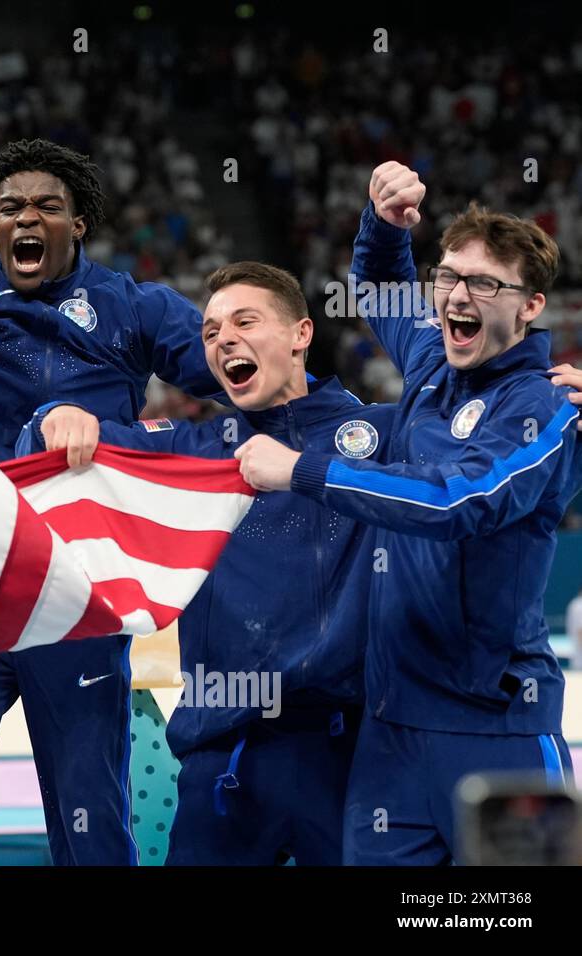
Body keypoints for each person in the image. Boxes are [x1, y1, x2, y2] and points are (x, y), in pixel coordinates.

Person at [0, 138, 219, 865]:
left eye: (47, 207)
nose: (26, 217)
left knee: (90, 802)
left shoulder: (133, 305)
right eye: (10, 208)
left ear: (78, 223)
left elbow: (234, 380)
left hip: (78, 588)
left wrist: (114, 435)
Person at [236, 162, 577, 864]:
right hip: (391, 734)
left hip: (498, 728)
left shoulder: (546, 408)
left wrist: (305, 470)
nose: (457, 295)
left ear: (531, 305)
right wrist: (385, 222)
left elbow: (459, 502)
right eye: (448, 278)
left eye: (484, 284)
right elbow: (379, 283)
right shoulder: (433, 362)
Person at [19, 261, 394, 864]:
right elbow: (83, 444)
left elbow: (482, 450)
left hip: (351, 752)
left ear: (301, 334)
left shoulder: (382, 435)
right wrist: (55, 417)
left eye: (245, 321)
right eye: (212, 331)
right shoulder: (195, 450)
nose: (224, 339)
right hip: (224, 758)